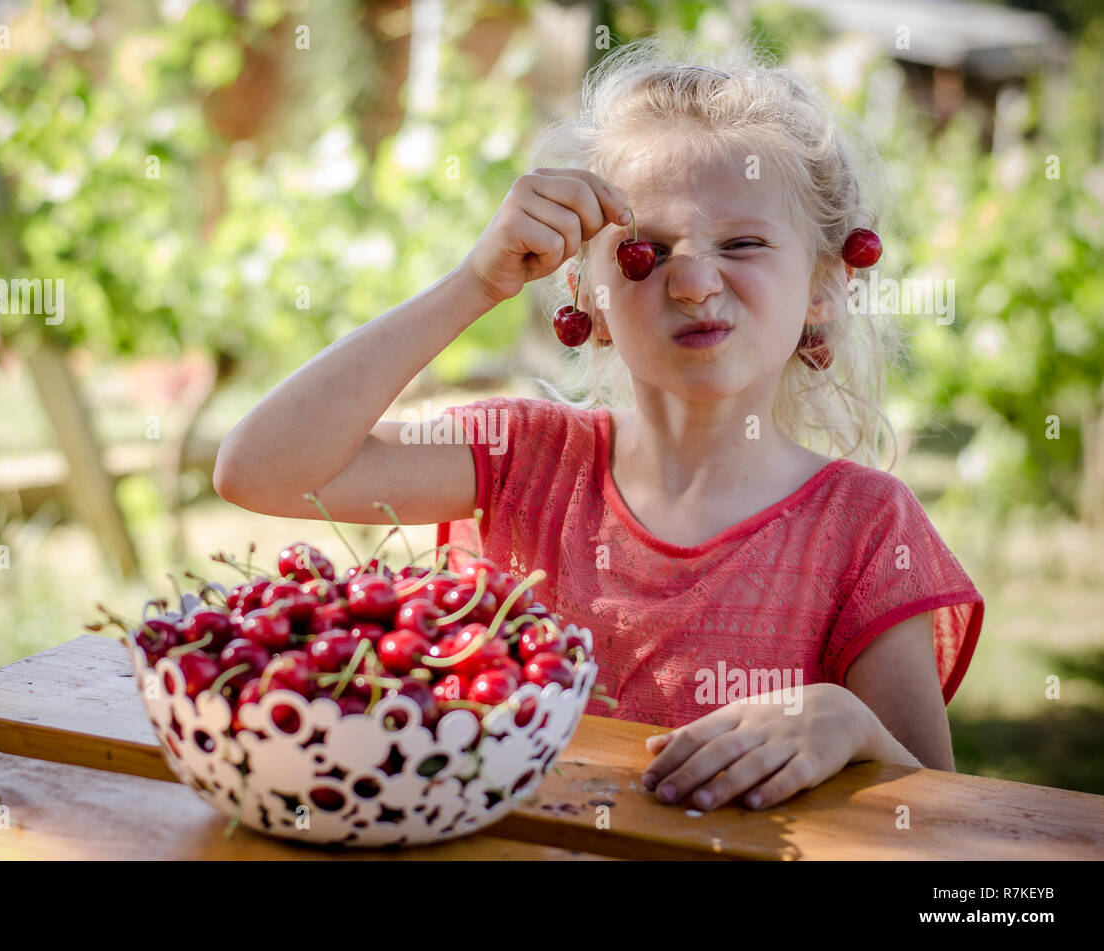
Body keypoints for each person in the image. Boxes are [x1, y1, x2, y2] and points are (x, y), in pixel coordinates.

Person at [213, 36, 983, 813]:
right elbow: (258, 470)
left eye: (742, 243)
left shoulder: (868, 528)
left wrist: (852, 726)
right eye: (644, 252)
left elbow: (935, 815)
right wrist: (475, 283)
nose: (693, 281)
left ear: (824, 286)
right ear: (588, 296)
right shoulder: (521, 457)